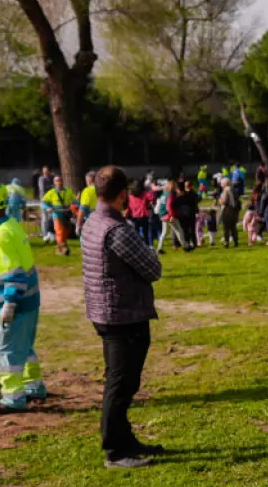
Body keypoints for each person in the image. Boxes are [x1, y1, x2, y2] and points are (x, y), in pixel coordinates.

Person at [81, 166, 165, 469]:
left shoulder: (92, 221)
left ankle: (124, 438)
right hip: (123, 314)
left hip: (105, 311)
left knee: (121, 380)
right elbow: (153, 269)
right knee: (121, 382)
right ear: (122, 194)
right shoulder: (116, 229)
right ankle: (115, 451)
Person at [0, 186, 48, 417]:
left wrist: (9, 304)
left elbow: (13, 274)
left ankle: (13, 398)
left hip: (14, 305)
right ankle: (33, 386)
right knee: (23, 347)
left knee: (5, 350)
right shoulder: (10, 226)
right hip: (28, 301)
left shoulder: (0, 237)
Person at [41, 176, 77, 256]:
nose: (59, 182)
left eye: (60, 180)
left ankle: (60, 249)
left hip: (67, 215)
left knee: (65, 231)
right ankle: (64, 248)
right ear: (54, 182)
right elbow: (43, 203)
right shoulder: (51, 193)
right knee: (59, 231)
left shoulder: (69, 191)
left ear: (63, 181)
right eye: (57, 181)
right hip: (56, 215)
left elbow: (74, 202)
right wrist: (48, 208)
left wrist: (75, 207)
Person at [169, 177, 199, 251]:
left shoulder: (177, 196)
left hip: (181, 215)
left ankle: (178, 244)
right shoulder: (189, 194)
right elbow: (195, 201)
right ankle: (188, 243)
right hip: (187, 214)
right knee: (186, 230)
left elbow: (173, 205)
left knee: (179, 230)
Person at [217, 178, 242, 248]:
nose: (221, 185)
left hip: (227, 211)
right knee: (233, 227)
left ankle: (226, 242)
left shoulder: (226, 190)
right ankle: (236, 241)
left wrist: (220, 200)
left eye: (222, 183)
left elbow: (224, 201)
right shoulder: (233, 189)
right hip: (234, 211)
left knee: (226, 228)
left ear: (225, 184)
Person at [35, 166, 56, 242]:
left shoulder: (53, 177)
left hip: (52, 201)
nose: (45, 173)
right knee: (45, 219)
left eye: (47, 172)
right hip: (44, 201)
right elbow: (43, 189)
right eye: (44, 172)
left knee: (52, 218)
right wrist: (52, 187)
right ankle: (44, 234)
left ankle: (51, 234)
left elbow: (56, 187)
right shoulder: (41, 179)